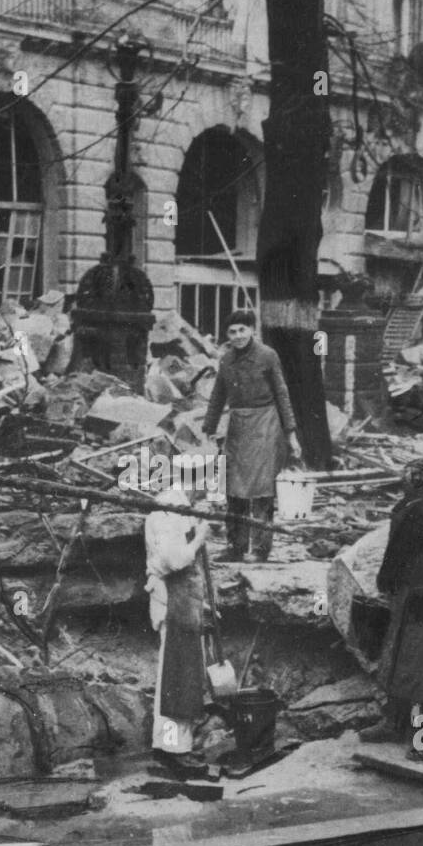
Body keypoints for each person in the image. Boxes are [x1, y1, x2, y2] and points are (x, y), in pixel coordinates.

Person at [358, 461, 423, 747]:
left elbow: (396, 555)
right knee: (410, 663)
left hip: (419, 596)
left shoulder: (409, 511)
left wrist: (386, 583)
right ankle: (397, 725)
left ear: (411, 483)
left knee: (418, 665)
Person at [202, 310, 303, 562]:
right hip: (237, 425)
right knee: (233, 487)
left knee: (261, 488)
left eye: (242, 330)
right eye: (232, 332)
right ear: (227, 335)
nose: (237, 336)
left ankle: (260, 549)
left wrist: (291, 435)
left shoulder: (267, 356)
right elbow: (217, 396)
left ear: (252, 330)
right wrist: (208, 429)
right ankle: (235, 546)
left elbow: (282, 393)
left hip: (265, 425)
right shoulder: (225, 360)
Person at [144, 487, 211, 754]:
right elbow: (176, 558)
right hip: (173, 602)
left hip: (184, 601)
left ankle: (178, 746)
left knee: (183, 677)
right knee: (174, 680)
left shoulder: (182, 507)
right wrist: (200, 539)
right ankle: (171, 749)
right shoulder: (170, 511)